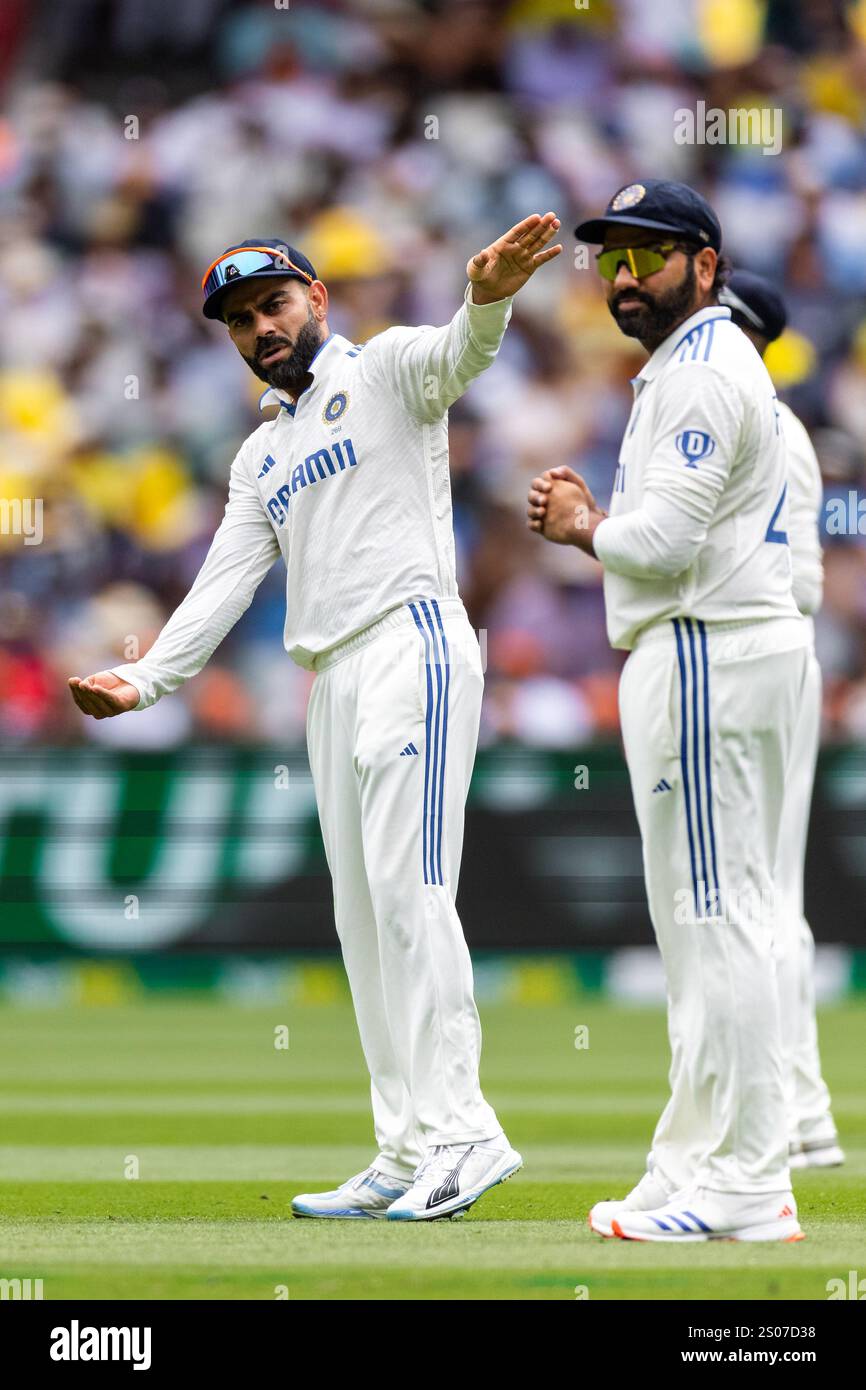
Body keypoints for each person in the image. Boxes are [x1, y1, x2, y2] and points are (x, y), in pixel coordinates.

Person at [69, 216, 563, 1221]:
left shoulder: (381, 372)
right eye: (242, 320)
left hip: (411, 642)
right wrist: (147, 678)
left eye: (274, 304)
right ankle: (406, 1142)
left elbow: (460, 352)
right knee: (362, 921)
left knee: (409, 889)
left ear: (316, 300)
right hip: (329, 677)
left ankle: (468, 1132)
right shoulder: (260, 454)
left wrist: (490, 295)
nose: (261, 328)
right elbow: (224, 579)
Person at [527, 180, 809, 1242]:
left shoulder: (699, 371)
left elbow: (659, 546)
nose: (623, 277)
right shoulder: (694, 366)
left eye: (649, 256)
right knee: (703, 926)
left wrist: (577, 523)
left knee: (715, 920)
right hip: (723, 646)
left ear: (704, 262)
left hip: (703, 648)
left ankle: (745, 1180)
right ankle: (692, 1157)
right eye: (610, 259)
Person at [719, 270, 843, 1169]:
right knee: (765, 890)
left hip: (767, 653)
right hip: (774, 654)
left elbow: (800, 582)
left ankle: (797, 1108)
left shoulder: (765, 423)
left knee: (763, 893)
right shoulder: (767, 420)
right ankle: (801, 1108)